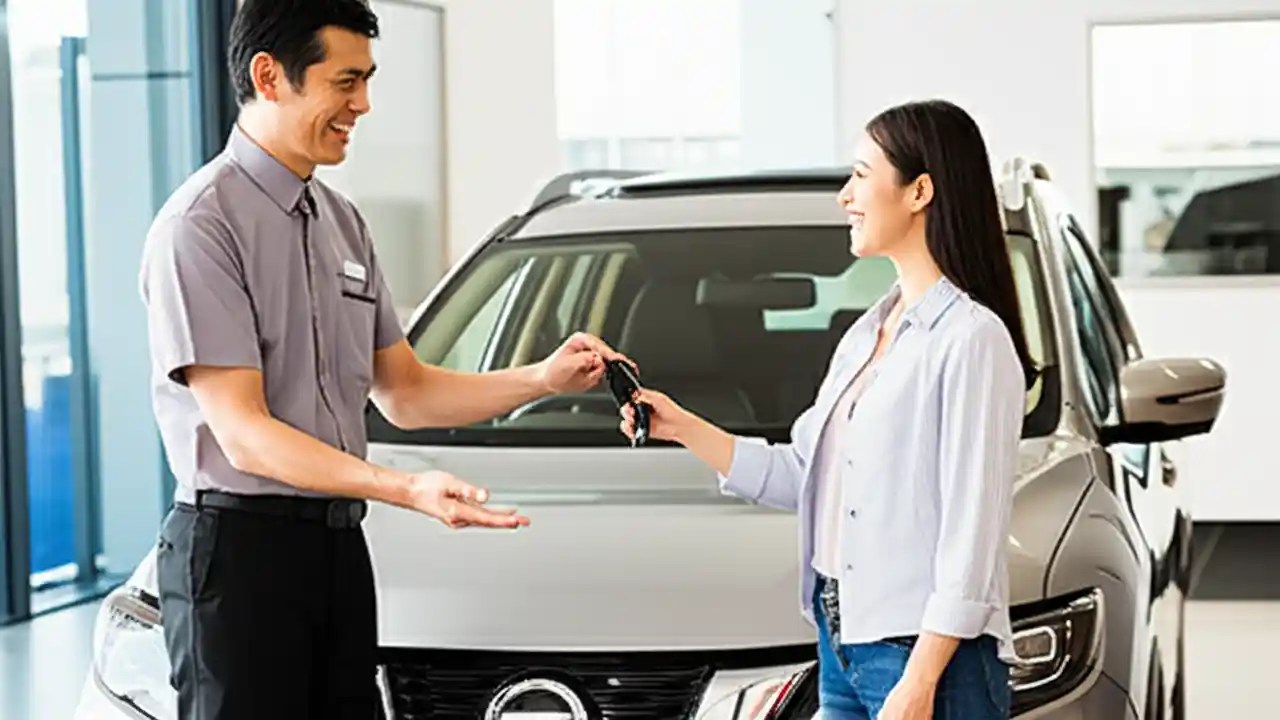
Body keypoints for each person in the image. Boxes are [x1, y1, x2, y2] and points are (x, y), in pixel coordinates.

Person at [139, 1, 629, 717]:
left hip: (337, 554)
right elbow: (244, 435)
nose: (363, 105)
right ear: (269, 76)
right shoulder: (200, 228)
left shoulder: (341, 221)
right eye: (345, 82)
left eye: (367, 81)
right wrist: (403, 489)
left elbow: (406, 391)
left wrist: (542, 378)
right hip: (238, 558)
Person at [620, 99, 1034, 720]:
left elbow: (970, 539)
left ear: (919, 190)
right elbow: (803, 475)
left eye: (861, 175)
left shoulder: (972, 340)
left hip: (927, 660)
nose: (845, 196)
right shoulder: (867, 335)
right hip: (842, 646)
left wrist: (919, 684)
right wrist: (679, 424)